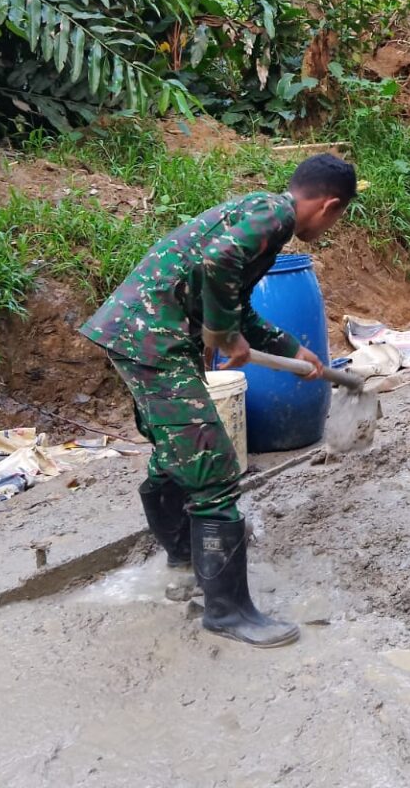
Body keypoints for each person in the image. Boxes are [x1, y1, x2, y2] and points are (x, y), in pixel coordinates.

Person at [79, 154, 356, 646]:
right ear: (330, 205)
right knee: (213, 466)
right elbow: (218, 264)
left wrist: (294, 349)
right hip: (153, 340)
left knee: (176, 454)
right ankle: (227, 611)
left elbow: (234, 301)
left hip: (140, 334)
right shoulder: (276, 218)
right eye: (337, 218)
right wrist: (222, 334)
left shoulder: (259, 212)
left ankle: (183, 561)